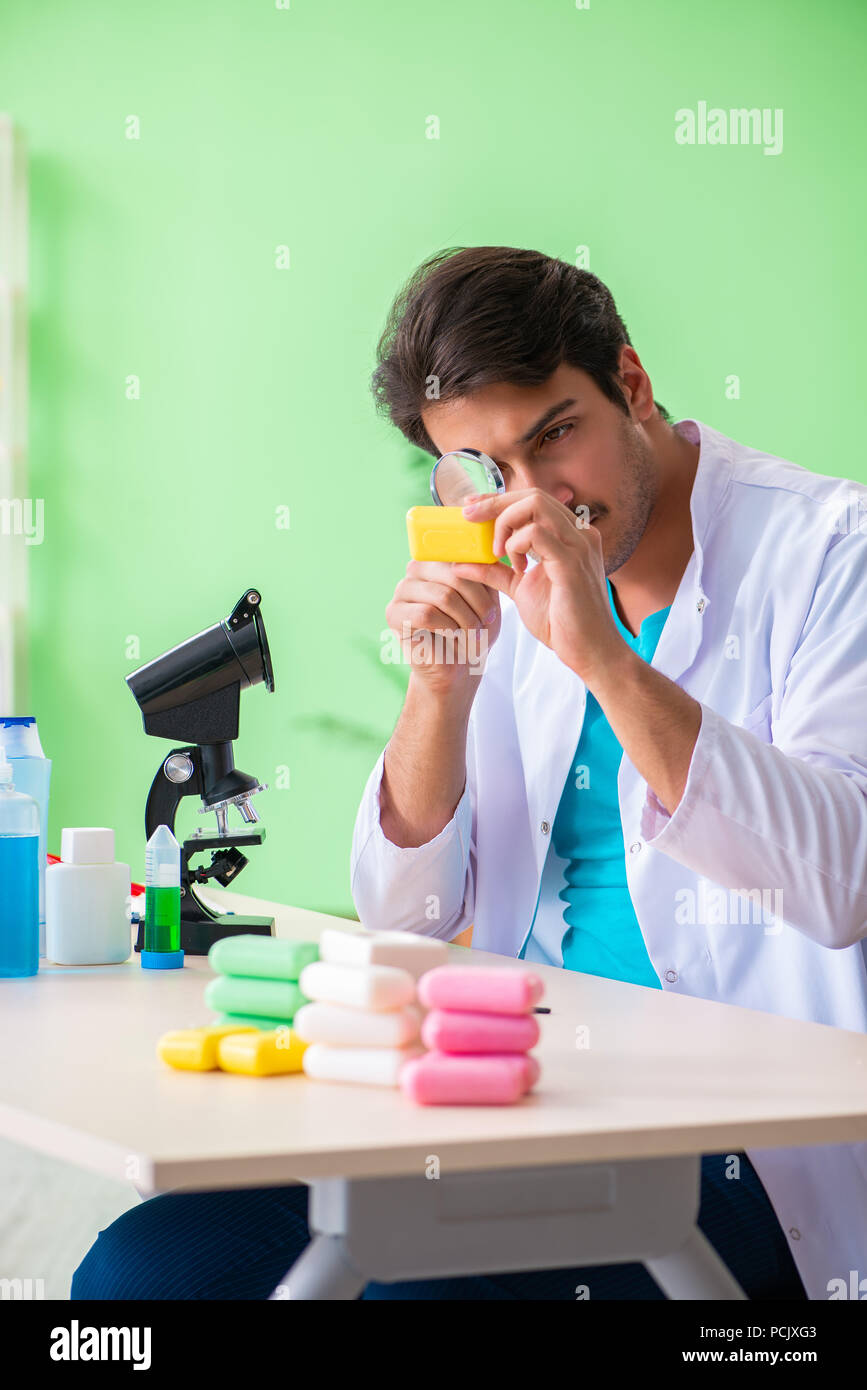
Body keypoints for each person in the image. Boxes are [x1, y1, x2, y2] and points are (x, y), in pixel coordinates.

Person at [76, 246, 867, 1300]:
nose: (530, 499)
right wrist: (441, 691)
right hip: (509, 1091)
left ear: (630, 384)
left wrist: (605, 658)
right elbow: (405, 910)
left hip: (734, 1144)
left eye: (555, 438)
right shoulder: (496, 564)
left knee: (406, 1296)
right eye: (488, 470)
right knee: (144, 1271)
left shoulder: (828, 549)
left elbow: (838, 877)